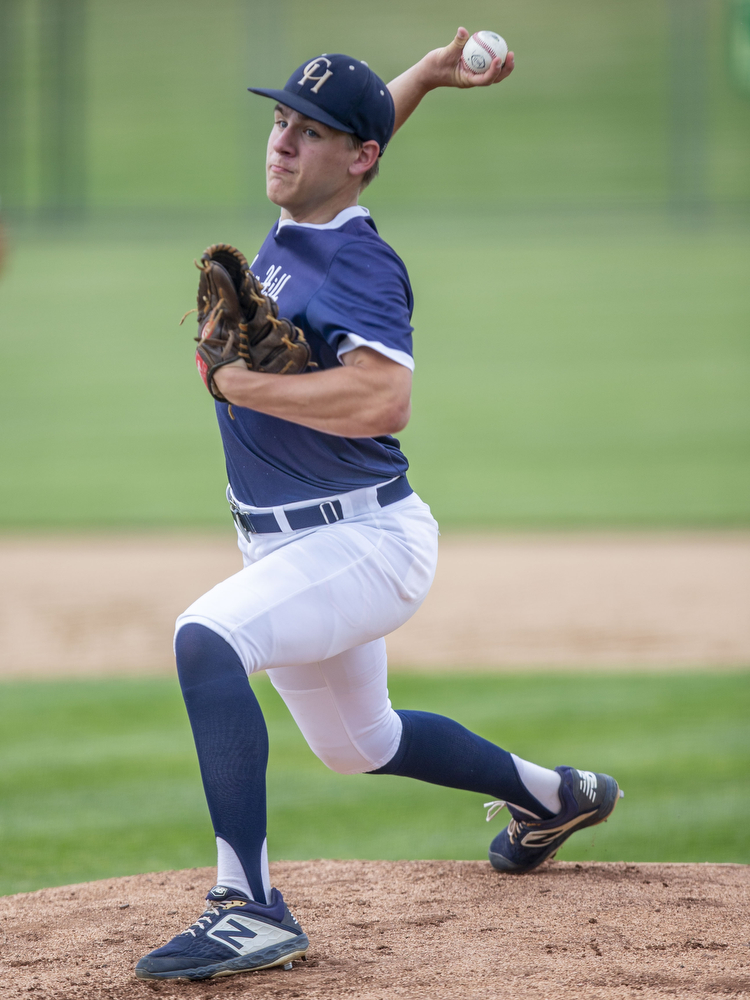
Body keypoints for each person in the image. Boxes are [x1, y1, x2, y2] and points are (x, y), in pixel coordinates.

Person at [135, 29, 621, 983]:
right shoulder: (301, 224)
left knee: (206, 639)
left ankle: (247, 907)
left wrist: (240, 387)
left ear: (354, 161)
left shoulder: (356, 261)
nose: (281, 142)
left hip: (364, 538)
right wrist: (430, 76)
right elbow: (359, 131)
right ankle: (555, 795)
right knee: (364, 745)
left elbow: (381, 399)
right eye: (279, 121)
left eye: (305, 132)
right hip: (295, 547)